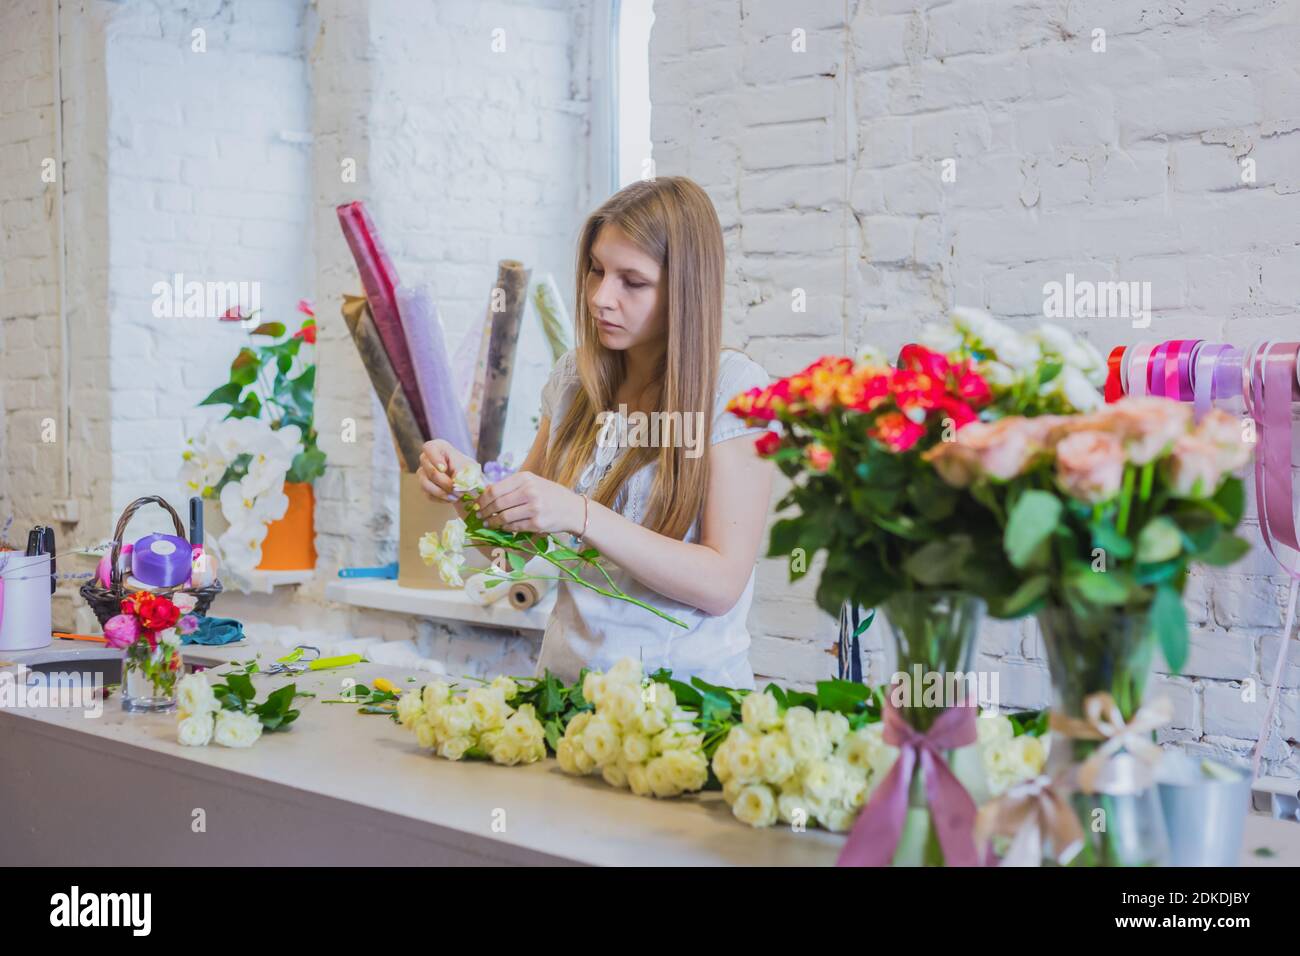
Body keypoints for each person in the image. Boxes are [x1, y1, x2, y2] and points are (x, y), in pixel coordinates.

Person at [419, 176, 774, 688]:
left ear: (685, 288)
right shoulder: (574, 381)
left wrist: (582, 514)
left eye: (633, 281)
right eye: (596, 270)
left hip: (685, 709)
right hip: (565, 695)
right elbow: (514, 556)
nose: (601, 297)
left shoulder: (734, 390)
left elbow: (721, 584)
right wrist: (465, 490)